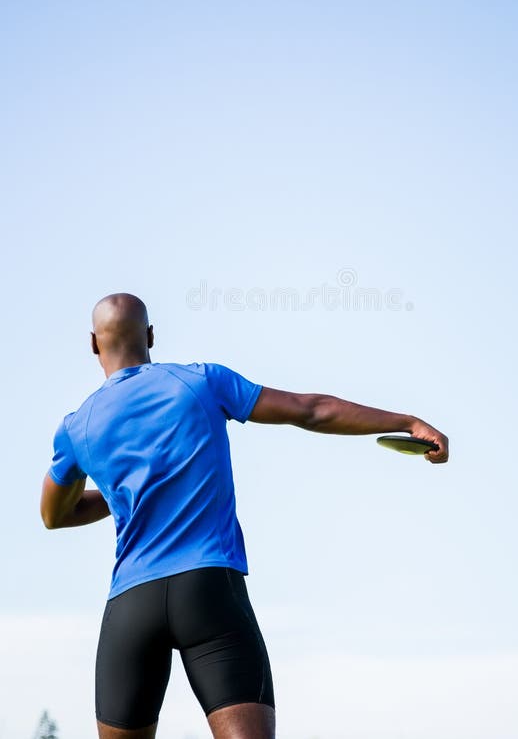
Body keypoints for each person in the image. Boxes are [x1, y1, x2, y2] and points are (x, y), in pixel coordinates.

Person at [41, 293, 449, 739]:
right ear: (152, 336)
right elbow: (311, 411)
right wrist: (406, 420)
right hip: (209, 592)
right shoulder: (199, 382)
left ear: (93, 344)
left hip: (131, 607)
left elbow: (55, 514)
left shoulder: (76, 426)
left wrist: (131, 489)